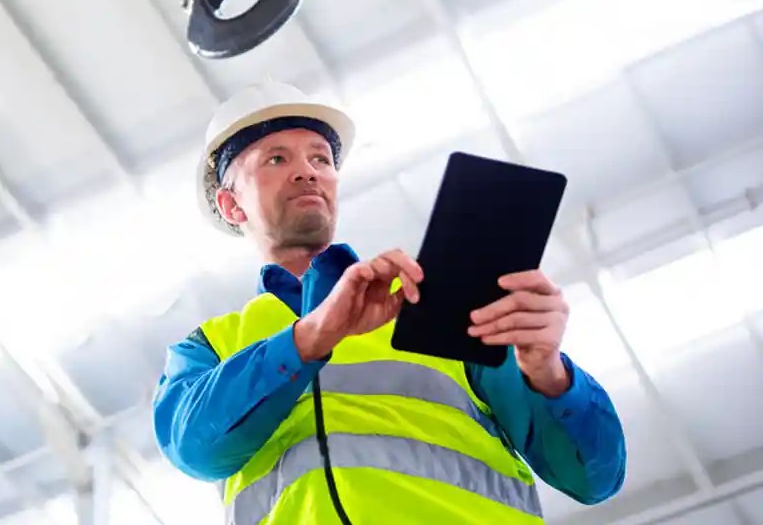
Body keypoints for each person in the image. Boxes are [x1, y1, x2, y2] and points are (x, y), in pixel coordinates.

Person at [152, 82, 626, 524]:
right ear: (232, 205)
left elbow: (594, 477)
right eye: (276, 159)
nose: (307, 171)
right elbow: (196, 447)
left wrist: (549, 375)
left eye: (321, 159)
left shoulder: (433, 302)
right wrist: (311, 338)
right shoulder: (211, 347)